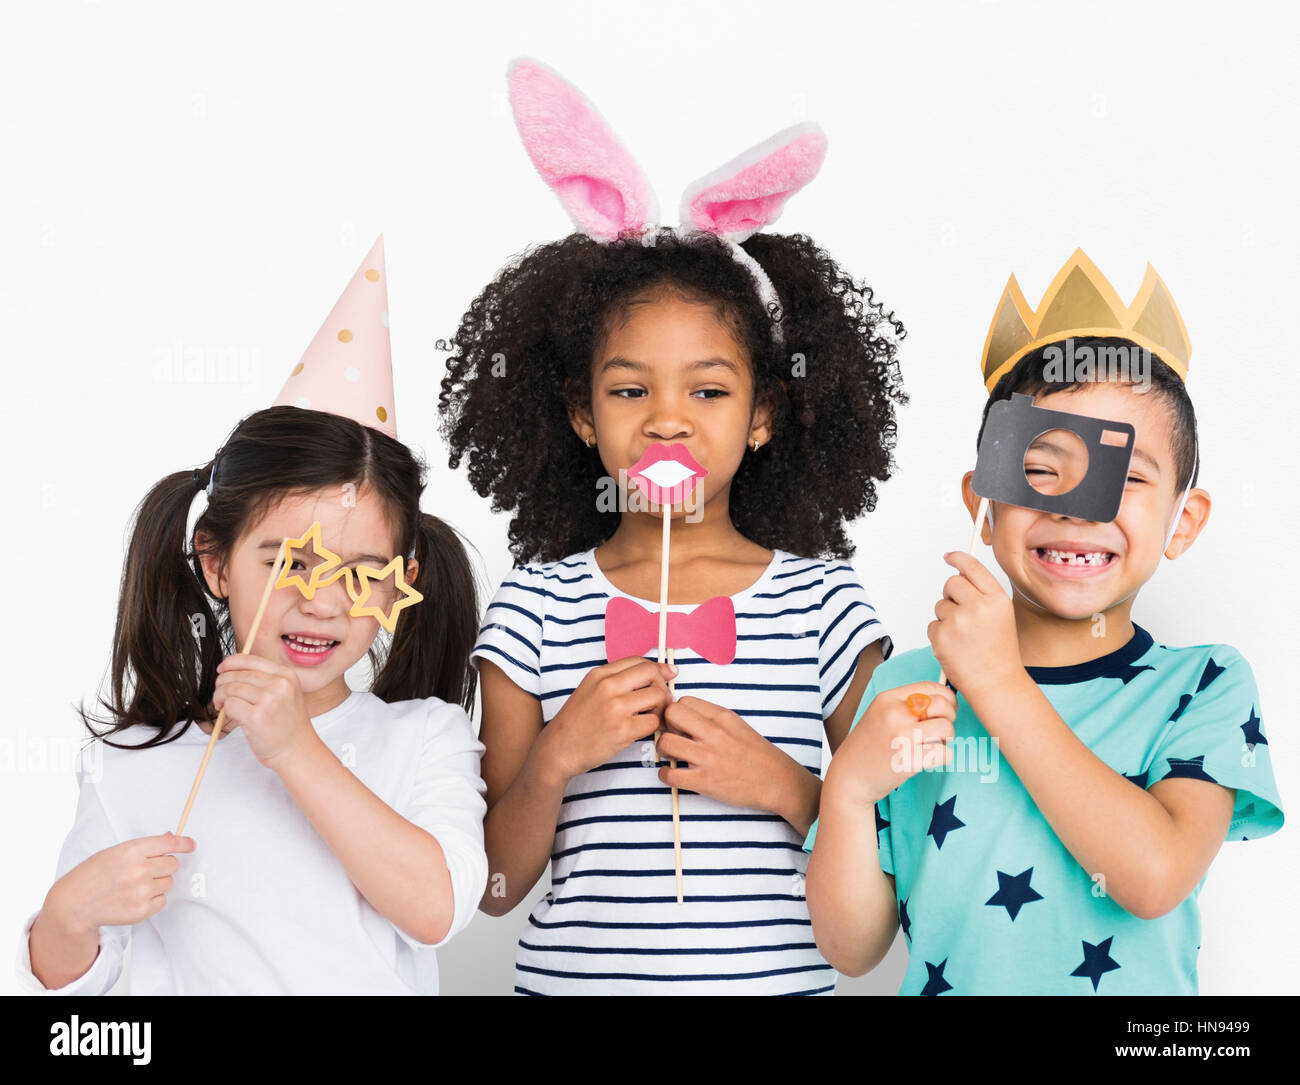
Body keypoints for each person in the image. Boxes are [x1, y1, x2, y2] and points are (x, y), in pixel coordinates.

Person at [438, 58, 904, 993]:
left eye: (709, 388)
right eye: (627, 389)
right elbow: (490, 888)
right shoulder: (533, 608)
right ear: (581, 413)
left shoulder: (825, 607)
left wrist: (779, 783)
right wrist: (558, 756)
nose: (666, 417)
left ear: (763, 414)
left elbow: (892, 870)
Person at [805, 250, 1284, 994]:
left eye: (1122, 478)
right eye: (1039, 469)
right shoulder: (908, 686)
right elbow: (853, 947)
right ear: (982, 507)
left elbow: (1152, 877)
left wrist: (996, 681)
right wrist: (848, 791)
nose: (1074, 506)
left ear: (1182, 522)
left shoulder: (1204, 686)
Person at [18, 238, 488, 995]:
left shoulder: (424, 737)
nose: (323, 601)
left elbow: (437, 908)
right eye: (290, 561)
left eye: (362, 575)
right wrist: (65, 918)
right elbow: (74, 986)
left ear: (403, 582)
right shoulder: (134, 759)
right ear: (214, 561)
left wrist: (296, 748)